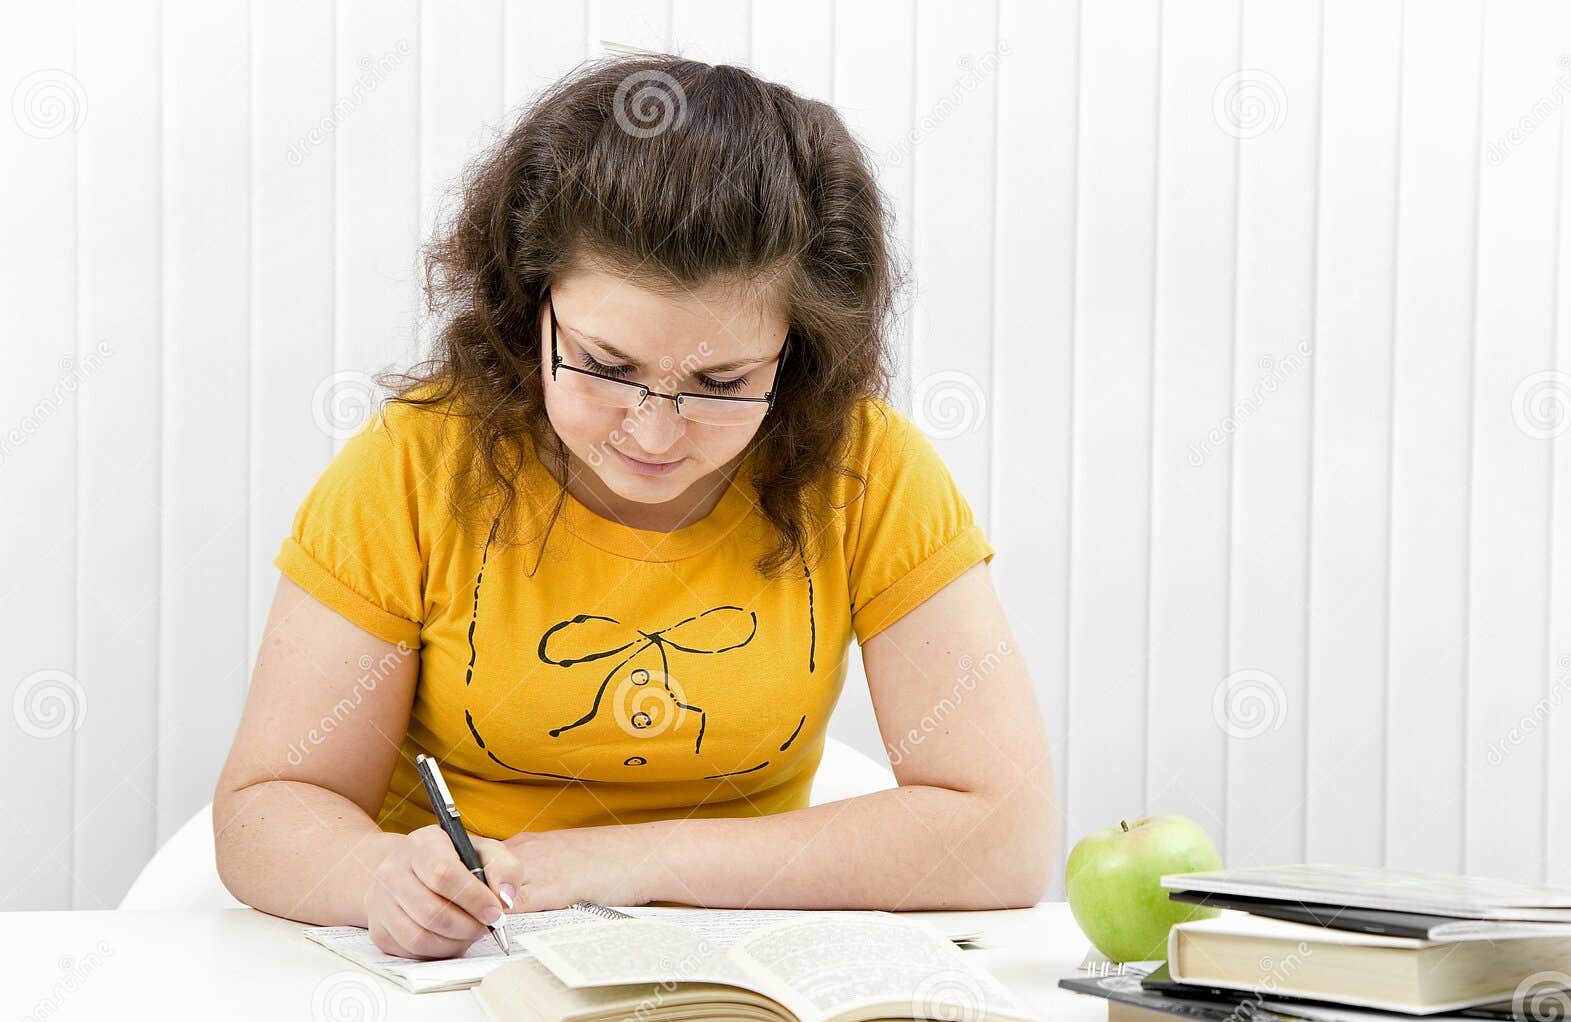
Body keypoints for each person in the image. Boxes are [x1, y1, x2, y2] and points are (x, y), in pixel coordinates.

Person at [214, 54, 1055, 960]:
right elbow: (265, 809)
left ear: (798, 352)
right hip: (461, 972)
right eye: (607, 368)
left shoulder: (868, 471)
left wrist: (616, 862)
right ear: (528, 302)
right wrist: (375, 876)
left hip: (736, 979)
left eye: (721, 381)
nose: (653, 434)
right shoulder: (416, 463)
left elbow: (1002, 836)